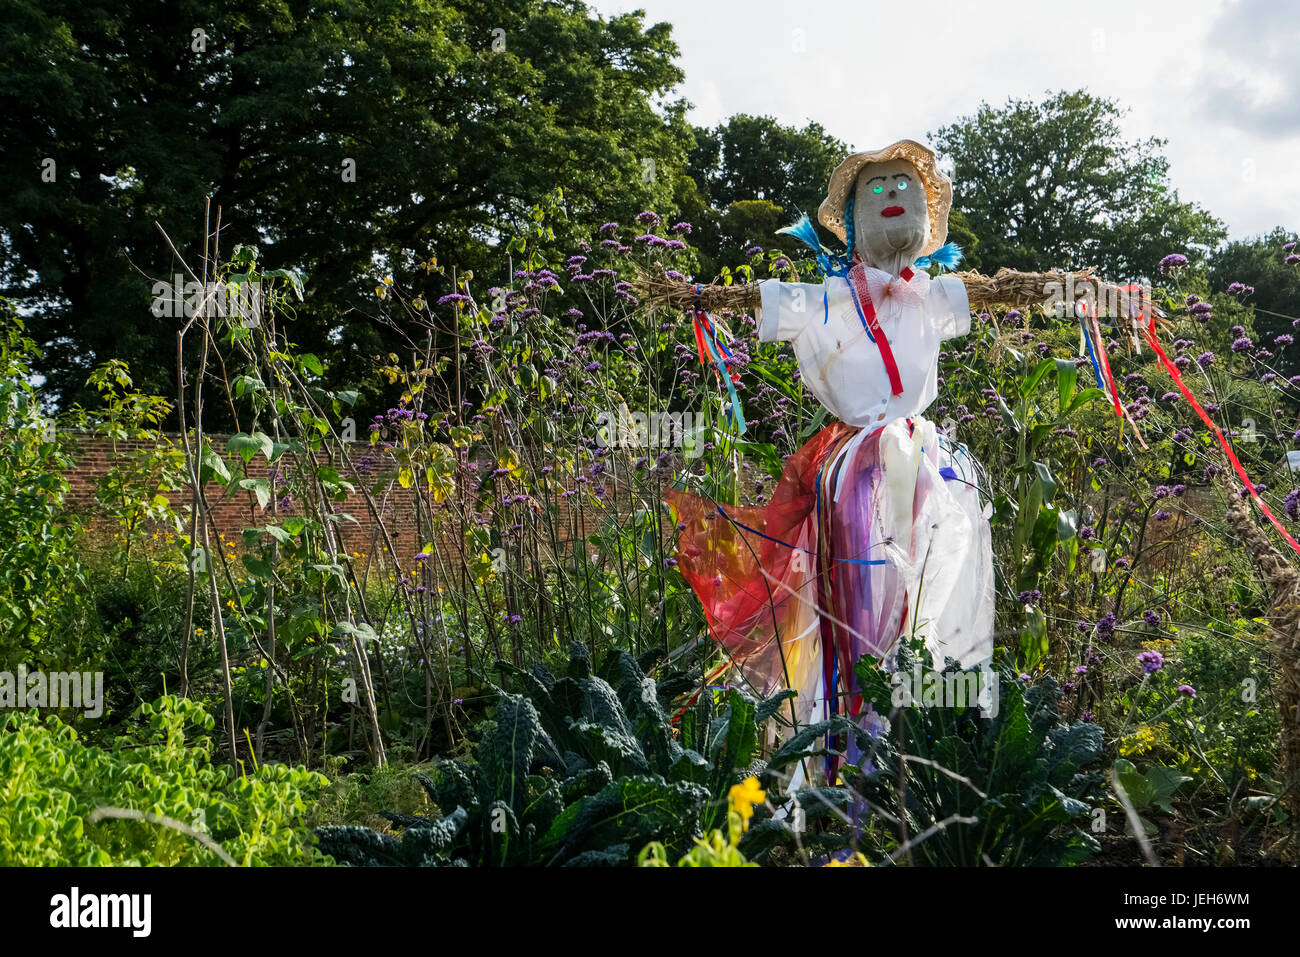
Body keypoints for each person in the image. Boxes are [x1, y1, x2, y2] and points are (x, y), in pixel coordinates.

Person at [665, 140, 995, 760]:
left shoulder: (937, 294)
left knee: (934, 569)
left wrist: (1071, 289)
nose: (893, 194)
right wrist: (689, 299)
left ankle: (923, 722)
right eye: (876, 187)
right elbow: (738, 304)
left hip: (925, 455)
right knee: (852, 576)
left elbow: (1011, 294)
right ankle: (849, 730)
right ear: (850, 222)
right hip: (850, 466)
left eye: (904, 184)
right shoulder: (823, 298)